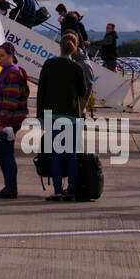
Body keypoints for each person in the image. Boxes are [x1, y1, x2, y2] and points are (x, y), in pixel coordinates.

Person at [38, 33, 87, 201]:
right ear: (76, 46)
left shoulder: (49, 64)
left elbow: (41, 92)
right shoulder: (77, 68)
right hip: (71, 116)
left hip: (52, 115)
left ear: (60, 45)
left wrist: (40, 117)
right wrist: (82, 115)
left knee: (55, 154)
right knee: (71, 155)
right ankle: (72, 190)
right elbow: (82, 94)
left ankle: (58, 190)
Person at [0, 42, 29, 199]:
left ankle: (11, 188)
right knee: (2, 152)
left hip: (8, 121)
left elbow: (10, 100)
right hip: (4, 119)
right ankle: (9, 186)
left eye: (2, 56)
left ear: (11, 56)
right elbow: (3, 93)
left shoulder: (12, 74)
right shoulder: (5, 71)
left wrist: (2, 123)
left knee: (5, 153)